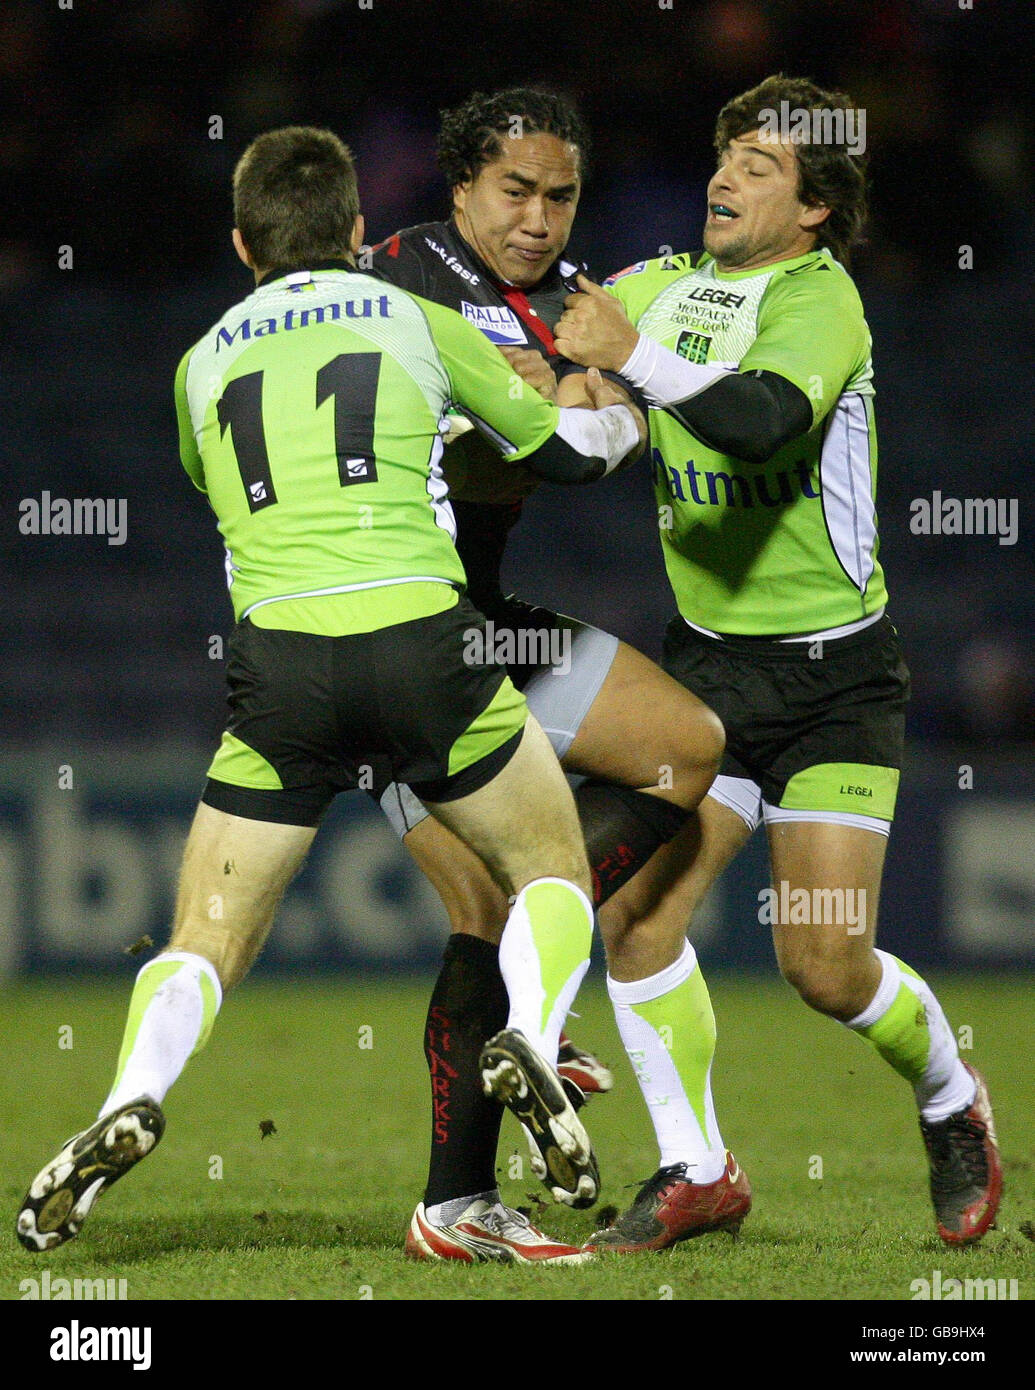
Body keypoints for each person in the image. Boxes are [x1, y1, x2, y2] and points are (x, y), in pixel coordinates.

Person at [15, 125, 650, 1261]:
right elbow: (564, 454)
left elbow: (215, 485)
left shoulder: (200, 360)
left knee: (204, 936)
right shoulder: (414, 317)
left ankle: (133, 1089)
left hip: (280, 671)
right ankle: (538, 1042)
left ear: (243, 245)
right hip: (425, 641)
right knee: (546, 867)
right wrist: (622, 409)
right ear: (359, 234)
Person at [553, 73, 1002, 1251]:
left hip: (836, 681)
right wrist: (548, 398)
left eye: (761, 166)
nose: (726, 177)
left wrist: (630, 362)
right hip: (708, 677)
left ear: (813, 210)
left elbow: (755, 420)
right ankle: (698, 1168)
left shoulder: (822, 303)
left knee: (821, 960)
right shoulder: (658, 286)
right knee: (639, 917)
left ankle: (953, 1097)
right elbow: (569, 380)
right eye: (726, 157)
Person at [363, 88, 736, 1265]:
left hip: (484, 622)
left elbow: (602, 430)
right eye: (514, 191)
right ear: (461, 186)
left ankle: (544, 982)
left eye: (559, 194)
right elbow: (553, 441)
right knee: (482, 905)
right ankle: (453, 1203)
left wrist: (574, 392)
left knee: (683, 745)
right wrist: (563, 394)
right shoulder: (400, 276)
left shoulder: (570, 300)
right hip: (382, 635)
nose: (537, 216)